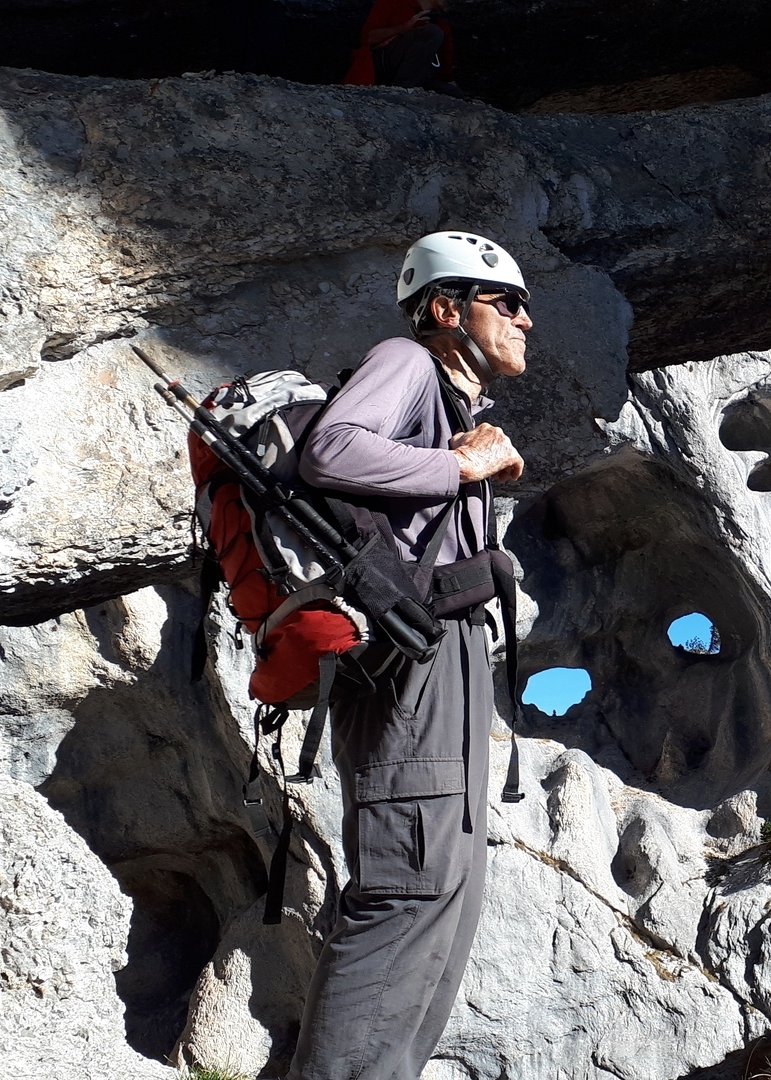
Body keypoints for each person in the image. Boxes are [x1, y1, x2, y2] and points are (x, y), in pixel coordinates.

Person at [287, 231, 530, 1080]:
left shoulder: (454, 402)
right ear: (444, 309)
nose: (526, 320)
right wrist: (458, 467)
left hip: (448, 653)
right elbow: (331, 450)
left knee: (450, 900)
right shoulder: (406, 359)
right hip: (409, 662)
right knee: (411, 886)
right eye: (507, 302)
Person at [343, 0, 460, 93]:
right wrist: (403, 28)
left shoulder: (442, 26)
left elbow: (446, 67)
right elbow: (368, 39)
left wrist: (450, 82)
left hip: (417, 75)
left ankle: (408, 89)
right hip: (382, 67)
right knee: (431, 32)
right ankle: (401, 90)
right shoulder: (394, 3)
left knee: (453, 93)